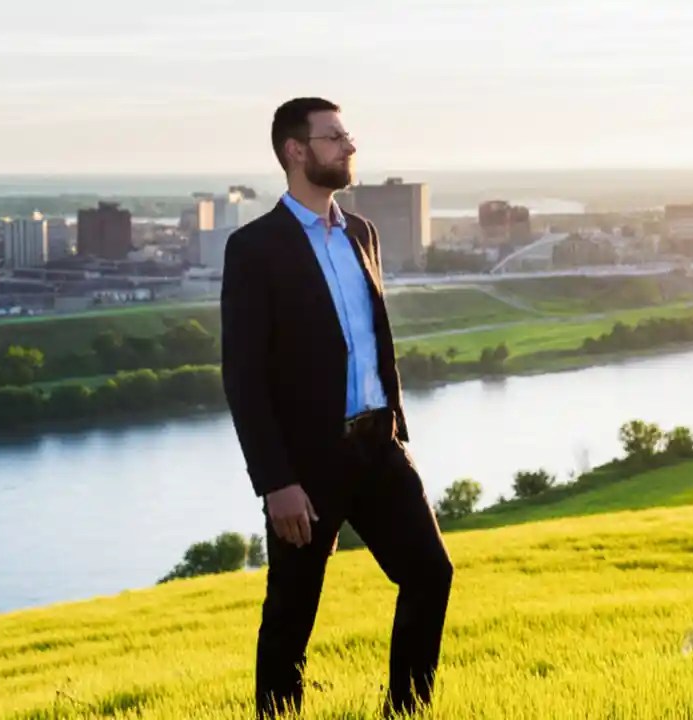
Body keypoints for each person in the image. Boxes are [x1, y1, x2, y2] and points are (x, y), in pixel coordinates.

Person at [220, 96, 454, 719]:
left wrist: (397, 432)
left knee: (430, 575)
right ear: (297, 152)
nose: (350, 147)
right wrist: (276, 482)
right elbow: (243, 378)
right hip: (307, 466)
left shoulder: (361, 233)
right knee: (292, 613)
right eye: (335, 137)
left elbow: (374, 339)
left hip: (379, 448)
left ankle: (405, 711)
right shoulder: (255, 248)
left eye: (347, 136)